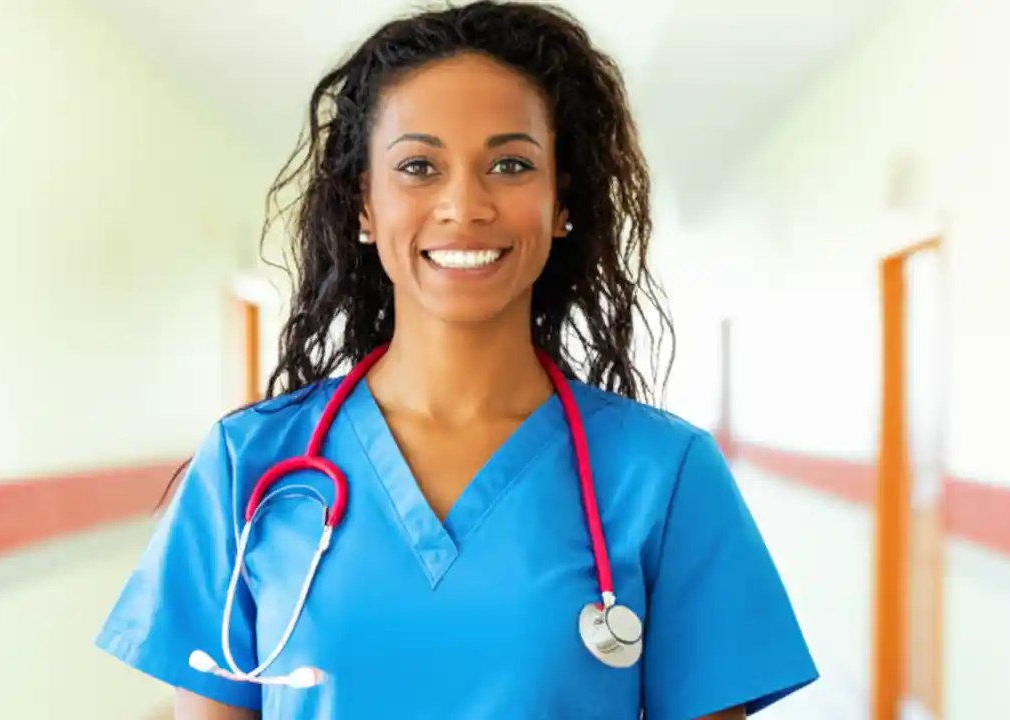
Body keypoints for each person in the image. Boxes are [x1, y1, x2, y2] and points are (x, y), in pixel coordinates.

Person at [94, 2, 818, 718]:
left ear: (560, 201)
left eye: (510, 164)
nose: (464, 205)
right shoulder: (246, 465)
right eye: (418, 166)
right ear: (364, 207)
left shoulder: (664, 475)